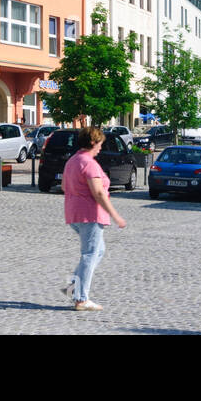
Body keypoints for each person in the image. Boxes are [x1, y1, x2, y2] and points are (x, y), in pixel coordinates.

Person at [61, 127, 126, 312]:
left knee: (98, 251)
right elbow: (98, 192)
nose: (100, 148)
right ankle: (81, 298)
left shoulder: (72, 161)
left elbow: (65, 187)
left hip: (74, 213)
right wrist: (115, 215)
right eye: (99, 144)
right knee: (90, 254)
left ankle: (72, 287)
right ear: (92, 143)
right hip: (90, 214)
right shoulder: (89, 163)